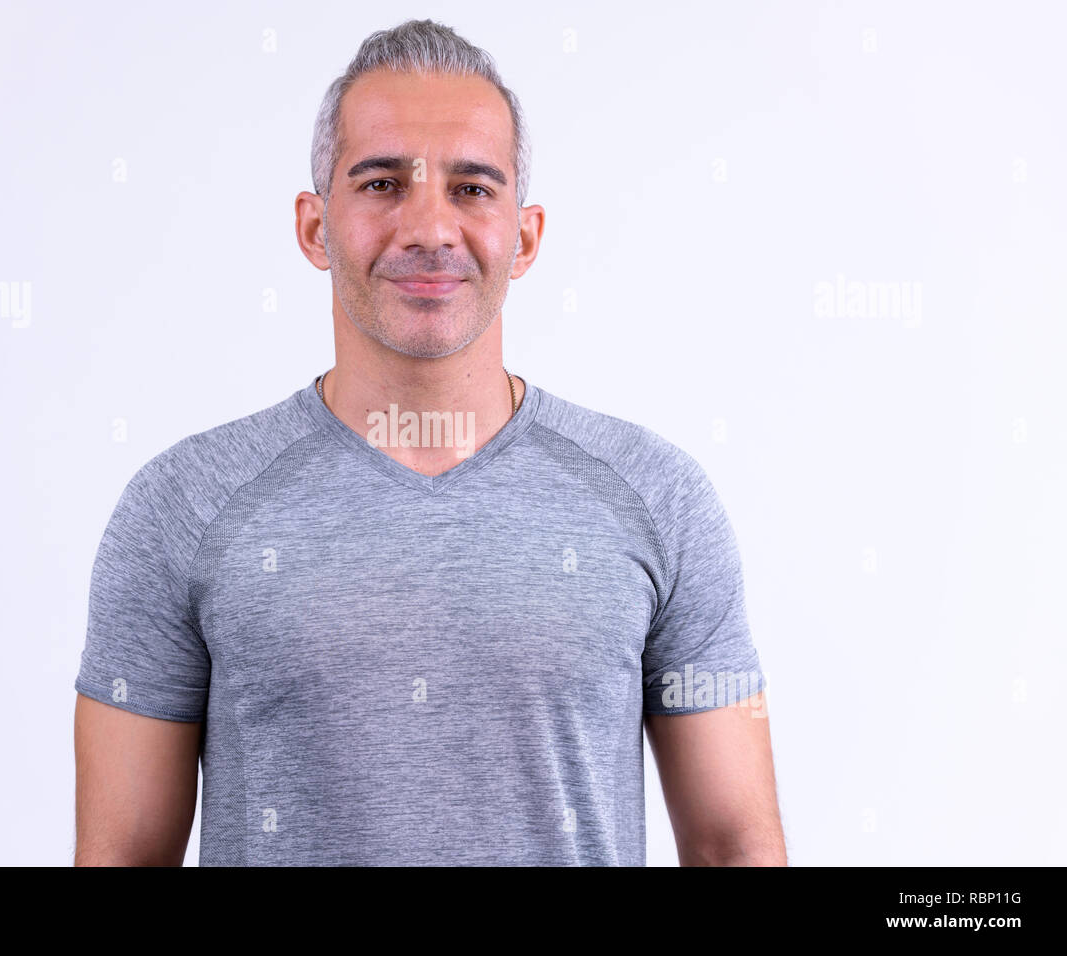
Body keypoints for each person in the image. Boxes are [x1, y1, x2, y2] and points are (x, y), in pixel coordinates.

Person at [73, 17, 786, 866]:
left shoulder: (659, 499)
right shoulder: (181, 505)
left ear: (524, 237)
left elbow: (734, 844)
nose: (429, 229)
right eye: (381, 184)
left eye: (472, 188)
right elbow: (119, 856)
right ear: (314, 226)